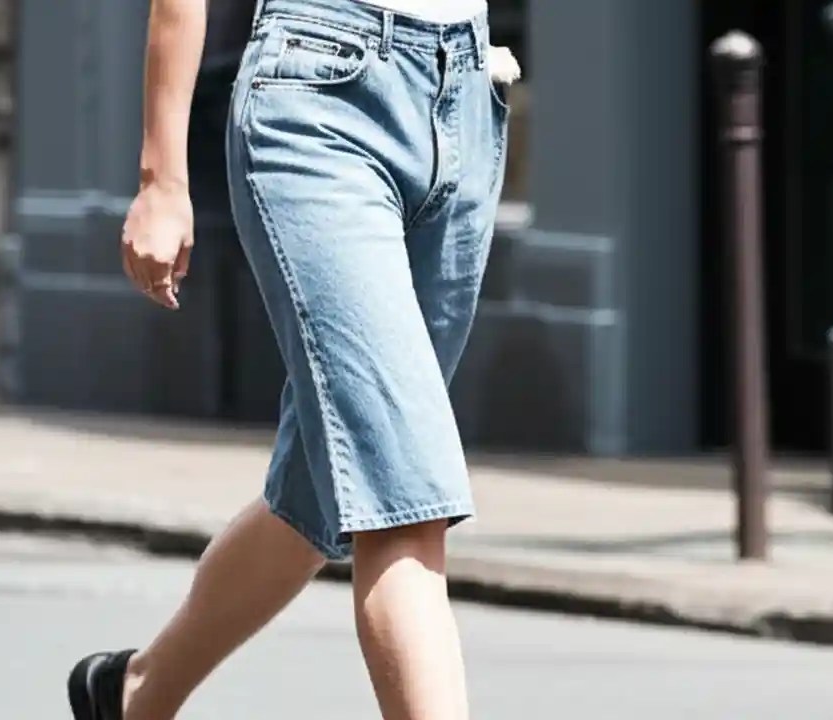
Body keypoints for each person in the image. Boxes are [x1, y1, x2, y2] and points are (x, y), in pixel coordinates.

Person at [67, 0, 515, 717]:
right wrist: (162, 180)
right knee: (404, 500)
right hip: (321, 97)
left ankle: (134, 698)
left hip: (463, 92)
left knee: (326, 482)